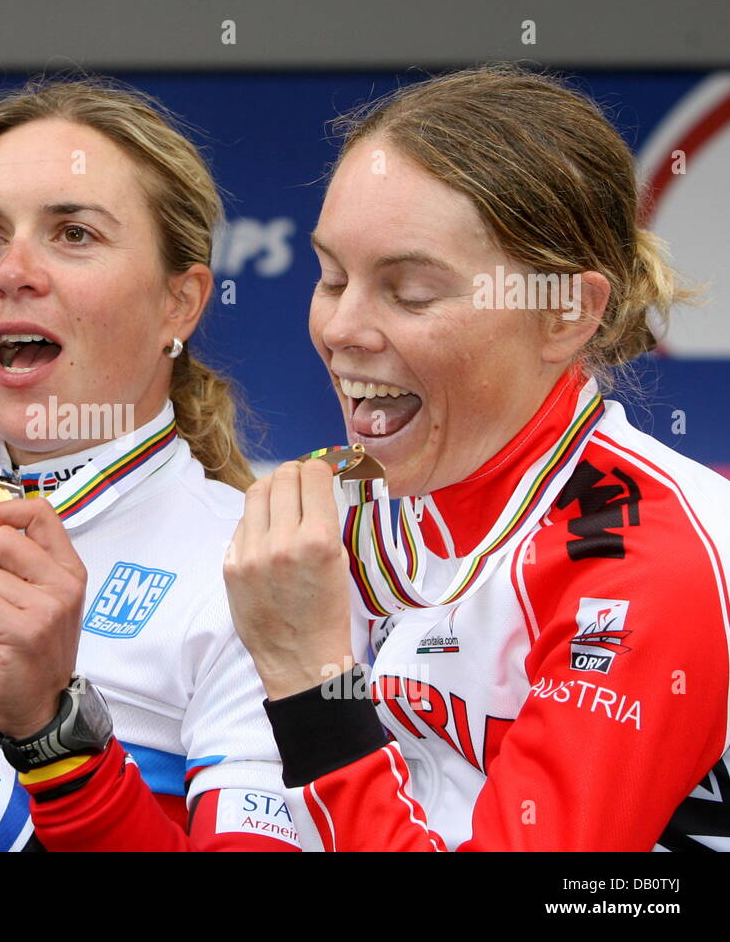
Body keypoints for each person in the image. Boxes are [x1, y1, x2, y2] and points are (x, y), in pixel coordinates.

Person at [224, 64, 728, 851]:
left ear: (566, 314)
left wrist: (312, 681)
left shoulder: (643, 566)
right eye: (331, 277)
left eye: (410, 292)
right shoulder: (347, 503)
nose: (341, 328)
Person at [0, 76, 298, 851]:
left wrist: (56, 730)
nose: (13, 270)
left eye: (73, 234)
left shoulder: (254, 571)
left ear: (179, 304)